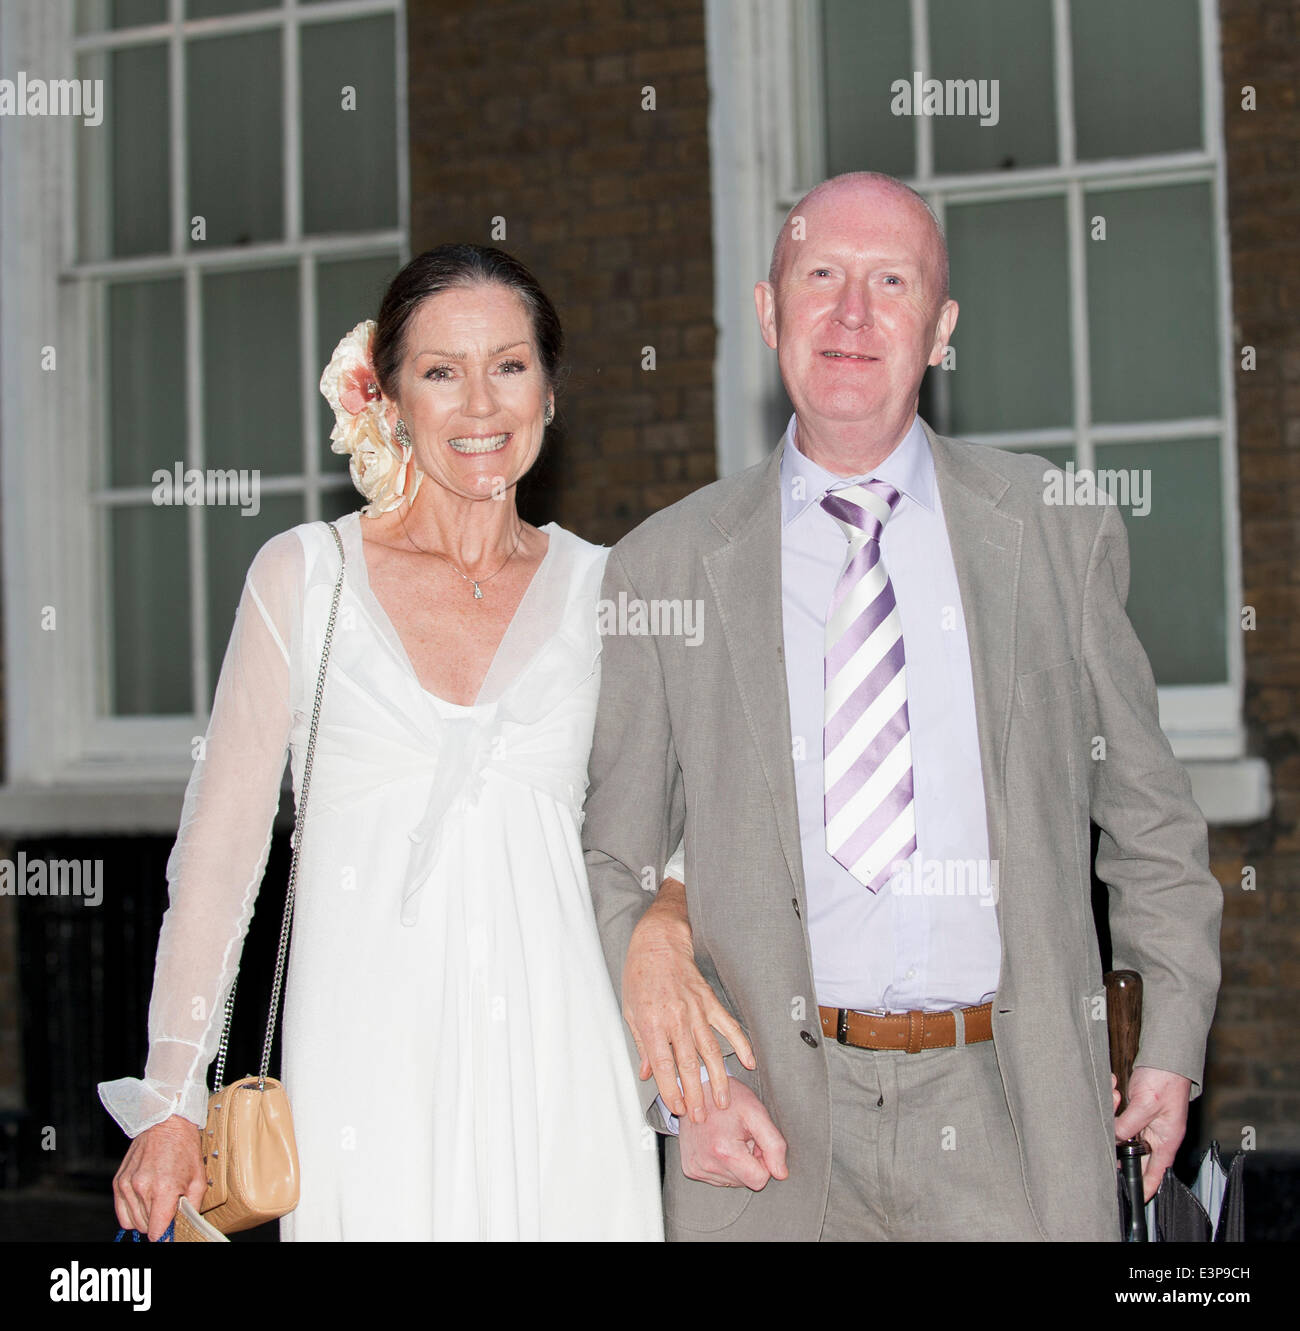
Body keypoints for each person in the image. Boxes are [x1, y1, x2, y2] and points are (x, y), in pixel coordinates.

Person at [583, 172, 1223, 1241]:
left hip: (1013, 1118)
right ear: (767, 309)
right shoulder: (666, 565)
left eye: (891, 281)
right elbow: (617, 864)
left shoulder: (1054, 533)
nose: (849, 313)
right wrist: (681, 1088)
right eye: (819, 276)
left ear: (940, 328)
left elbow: (1151, 819)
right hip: (768, 1128)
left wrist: (1167, 1035)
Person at [100, 244, 664, 1241]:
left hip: (566, 1079)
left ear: (549, 387)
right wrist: (173, 1095)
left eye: (509, 364)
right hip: (364, 1081)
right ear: (388, 397)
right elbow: (223, 850)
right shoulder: (303, 577)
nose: (479, 404)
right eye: (441, 371)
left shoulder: (608, 591)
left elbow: (659, 850)